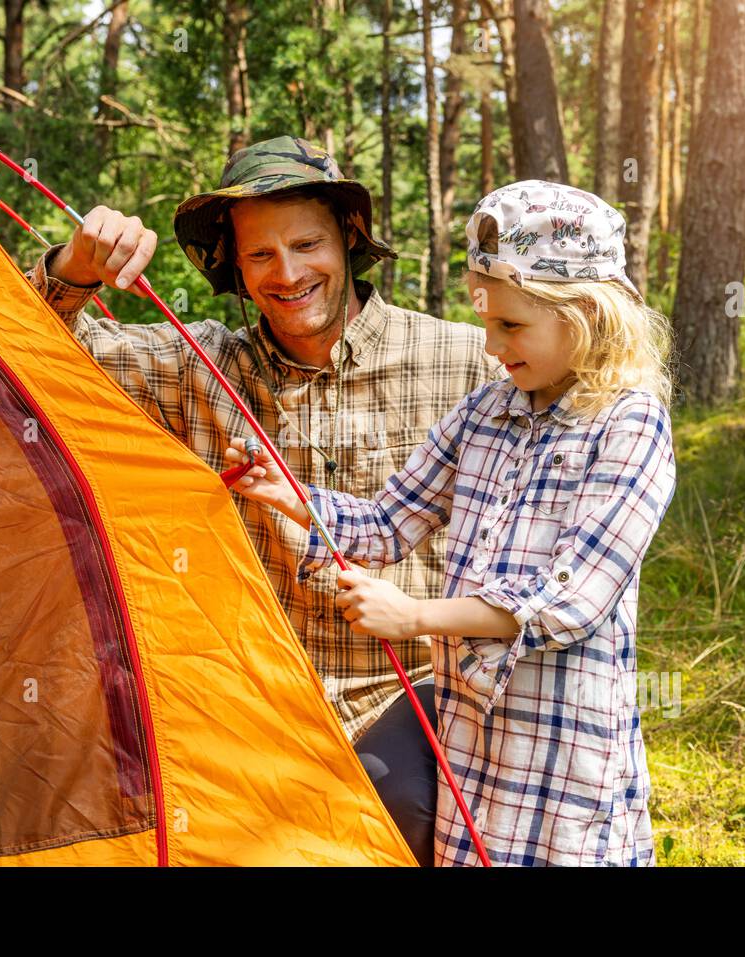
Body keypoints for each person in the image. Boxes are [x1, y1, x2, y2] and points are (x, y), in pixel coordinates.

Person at [225, 180, 678, 866]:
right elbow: (386, 521)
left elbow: (573, 600)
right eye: (489, 322)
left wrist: (416, 617)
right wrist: (288, 494)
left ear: (585, 313)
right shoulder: (485, 413)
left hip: (559, 747)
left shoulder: (629, 423)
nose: (491, 344)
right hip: (473, 735)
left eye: (511, 325)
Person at [25, 136, 502, 742]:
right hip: (253, 715)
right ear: (236, 266)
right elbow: (37, 352)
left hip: (416, 702)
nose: (288, 273)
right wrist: (75, 267)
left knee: (405, 804)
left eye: (307, 245)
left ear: (349, 237)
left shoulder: (466, 364)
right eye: (261, 255)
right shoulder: (198, 365)